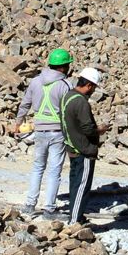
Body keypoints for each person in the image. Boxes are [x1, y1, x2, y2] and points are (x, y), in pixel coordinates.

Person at [13, 48, 74, 218]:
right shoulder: (66, 85)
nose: (69, 67)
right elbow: (70, 111)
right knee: (54, 170)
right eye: (68, 64)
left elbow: (25, 104)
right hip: (57, 133)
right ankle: (49, 208)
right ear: (62, 67)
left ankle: (30, 204)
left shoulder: (35, 81)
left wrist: (18, 122)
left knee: (37, 167)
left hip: (39, 131)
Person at [61, 68, 104, 225]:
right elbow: (87, 128)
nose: (93, 91)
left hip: (73, 147)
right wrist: (100, 130)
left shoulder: (68, 96)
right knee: (82, 187)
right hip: (83, 150)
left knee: (75, 184)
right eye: (94, 87)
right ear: (90, 85)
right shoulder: (81, 101)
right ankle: (74, 222)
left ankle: (76, 216)